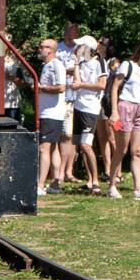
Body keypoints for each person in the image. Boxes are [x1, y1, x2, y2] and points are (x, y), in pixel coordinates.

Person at [108, 41, 140, 200]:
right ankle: (112, 185)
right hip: (125, 107)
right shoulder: (128, 65)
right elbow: (114, 87)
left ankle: (138, 188)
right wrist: (114, 112)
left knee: (138, 151)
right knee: (122, 149)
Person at [70, 34, 107, 193]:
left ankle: (96, 181)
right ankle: (90, 181)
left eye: (80, 46)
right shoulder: (82, 62)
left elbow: (102, 85)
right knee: (81, 145)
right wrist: (77, 63)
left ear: (88, 48)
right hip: (79, 107)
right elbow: (75, 83)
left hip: (90, 108)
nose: (77, 49)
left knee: (86, 144)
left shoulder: (99, 62)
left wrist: (81, 84)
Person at [34, 38, 66, 196]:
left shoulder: (56, 65)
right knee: (53, 148)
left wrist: (41, 88)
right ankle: (54, 184)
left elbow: (61, 87)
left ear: (51, 50)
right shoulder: (46, 65)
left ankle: (40, 185)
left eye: (42, 47)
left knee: (44, 148)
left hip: (52, 113)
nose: (39, 49)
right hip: (47, 112)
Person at [55, 23, 79, 185]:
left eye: (76, 35)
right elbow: (54, 68)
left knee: (72, 136)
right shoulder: (58, 48)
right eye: (71, 35)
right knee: (62, 135)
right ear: (65, 34)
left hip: (77, 97)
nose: (73, 38)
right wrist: (69, 70)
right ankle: (58, 172)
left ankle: (69, 171)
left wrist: (72, 70)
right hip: (59, 97)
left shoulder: (81, 49)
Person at [94, 39, 119, 184]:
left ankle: (118, 171)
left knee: (112, 138)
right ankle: (107, 169)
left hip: (108, 103)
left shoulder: (113, 61)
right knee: (102, 138)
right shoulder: (96, 61)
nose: (98, 45)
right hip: (97, 103)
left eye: (101, 43)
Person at [3, 32, 23, 126]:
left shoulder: (15, 60)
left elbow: (22, 82)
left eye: (6, 43)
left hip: (11, 103)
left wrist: (10, 78)